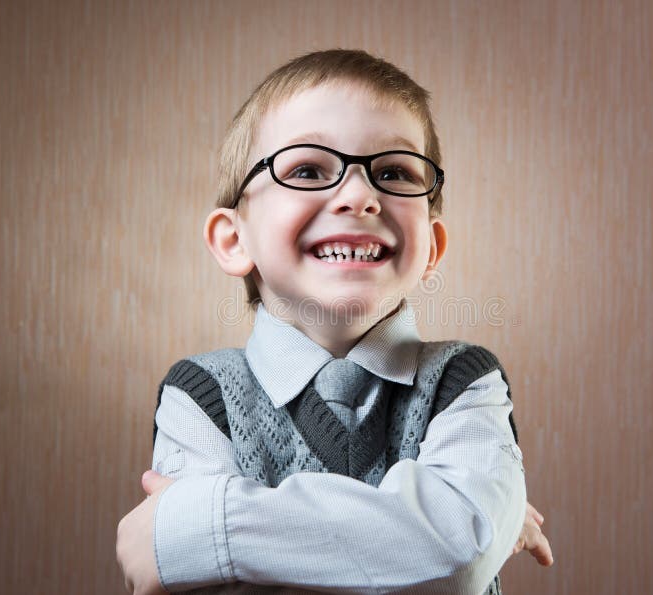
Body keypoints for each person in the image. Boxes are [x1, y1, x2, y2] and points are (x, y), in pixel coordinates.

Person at [116, 49, 553, 595]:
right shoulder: (199, 395)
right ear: (234, 240)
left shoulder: (465, 380)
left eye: (393, 172)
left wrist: (206, 526)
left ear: (432, 248)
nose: (359, 195)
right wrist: (443, 528)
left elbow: (456, 555)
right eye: (305, 169)